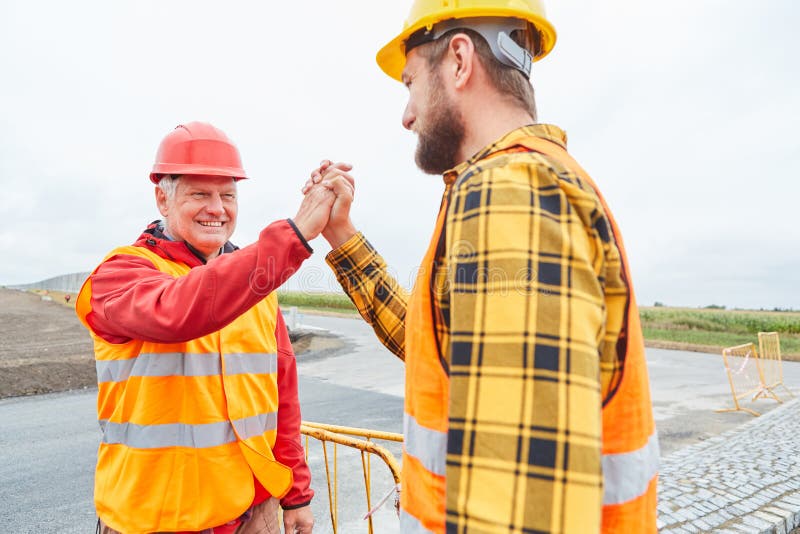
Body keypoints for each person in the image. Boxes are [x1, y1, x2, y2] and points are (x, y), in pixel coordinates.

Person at [306, 1, 659, 532]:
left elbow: (519, 513)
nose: (406, 116)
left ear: (459, 60)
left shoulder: (507, 192)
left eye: (409, 84)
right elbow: (431, 342)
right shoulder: (525, 183)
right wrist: (341, 235)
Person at [76, 121, 351, 534]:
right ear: (162, 199)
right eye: (199, 194)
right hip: (154, 521)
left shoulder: (254, 283)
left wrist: (296, 494)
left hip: (251, 513)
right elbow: (179, 310)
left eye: (228, 195)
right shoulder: (122, 274)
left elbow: (282, 399)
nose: (217, 208)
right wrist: (295, 234)